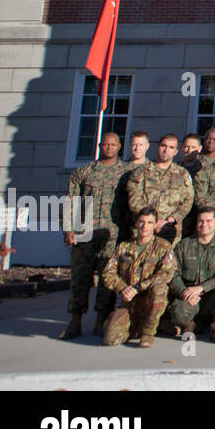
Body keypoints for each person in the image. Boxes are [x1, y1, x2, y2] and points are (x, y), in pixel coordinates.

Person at [61, 131, 132, 339]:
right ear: (99, 146)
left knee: (107, 279)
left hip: (112, 234)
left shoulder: (126, 173)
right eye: (105, 144)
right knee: (80, 278)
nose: (108, 148)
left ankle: (102, 319)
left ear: (119, 147)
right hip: (84, 233)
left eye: (113, 145)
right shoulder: (84, 171)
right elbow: (70, 201)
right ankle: (75, 320)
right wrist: (68, 229)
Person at [100, 208, 176, 347]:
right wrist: (122, 288)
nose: (145, 226)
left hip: (151, 299)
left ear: (155, 225)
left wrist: (139, 286)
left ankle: (147, 333)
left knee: (160, 289)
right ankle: (135, 326)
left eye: (149, 222)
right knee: (110, 339)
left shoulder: (163, 247)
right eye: (141, 222)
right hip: (129, 301)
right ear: (136, 223)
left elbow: (166, 273)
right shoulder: (123, 247)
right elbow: (108, 273)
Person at [165, 207, 215, 342]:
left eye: (209, 221)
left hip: (212, 295)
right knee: (178, 313)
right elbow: (173, 273)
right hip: (189, 295)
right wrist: (184, 292)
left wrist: (202, 288)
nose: (204, 225)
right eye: (201, 221)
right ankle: (189, 325)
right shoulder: (183, 245)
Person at [125, 133, 194, 243]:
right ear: (158, 147)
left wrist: (170, 220)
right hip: (143, 229)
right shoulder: (140, 171)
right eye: (163, 146)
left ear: (176, 152)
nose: (166, 150)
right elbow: (134, 199)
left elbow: (188, 201)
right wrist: (153, 222)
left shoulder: (182, 174)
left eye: (171, 147)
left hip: (170, 230)